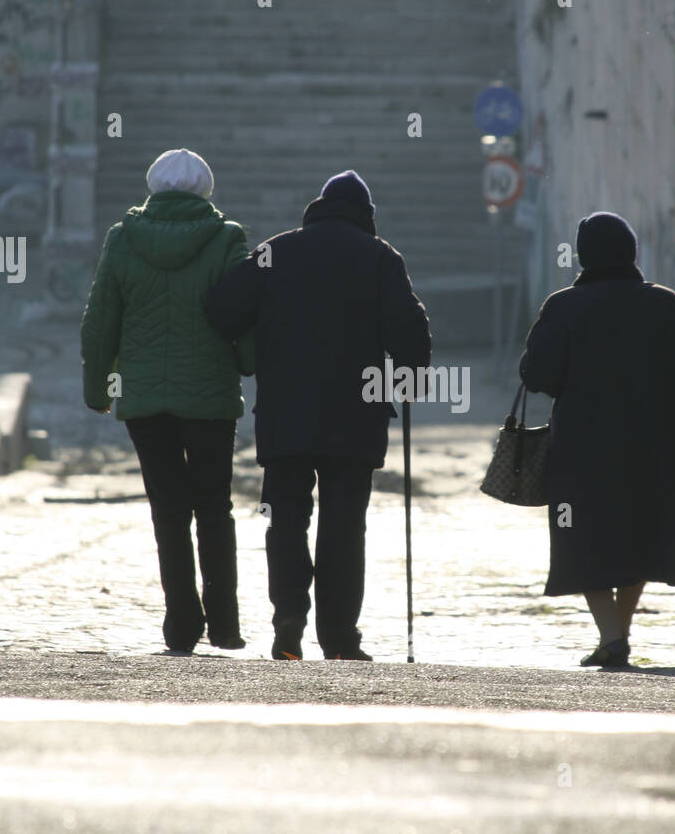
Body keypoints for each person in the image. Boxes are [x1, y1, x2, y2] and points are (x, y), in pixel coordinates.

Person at [205, 169, 430, 662]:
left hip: (286, 412)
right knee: (345, 525)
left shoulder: (275, 251)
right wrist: (410, 373)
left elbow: (223, 310)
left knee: (283, 519)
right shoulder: (379, 256)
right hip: (357, 413)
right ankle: (340, 637)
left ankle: (288, 617)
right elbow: (410, 330)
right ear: (365, 216)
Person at [519, 210, 675, 667]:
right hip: (654, 445)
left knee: (584, 538)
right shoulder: (663, 303)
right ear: (630, 251)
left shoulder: (564, 305)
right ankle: (616, 634)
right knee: (642, 535)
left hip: (582, 449)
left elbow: (536, 376)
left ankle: (611, 635)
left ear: (584, 255)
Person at [80, 148, 254, 653]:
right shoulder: (228, 238)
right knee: (214, 509)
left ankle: (181, 624)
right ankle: (224, 624)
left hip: (145, 398)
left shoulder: (121, 238)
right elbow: (243, 312)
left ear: (153, 186)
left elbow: (100, 320)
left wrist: (98, 389)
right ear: (206, 189)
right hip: (211, 398)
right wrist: (247, 362)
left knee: (168, 512)